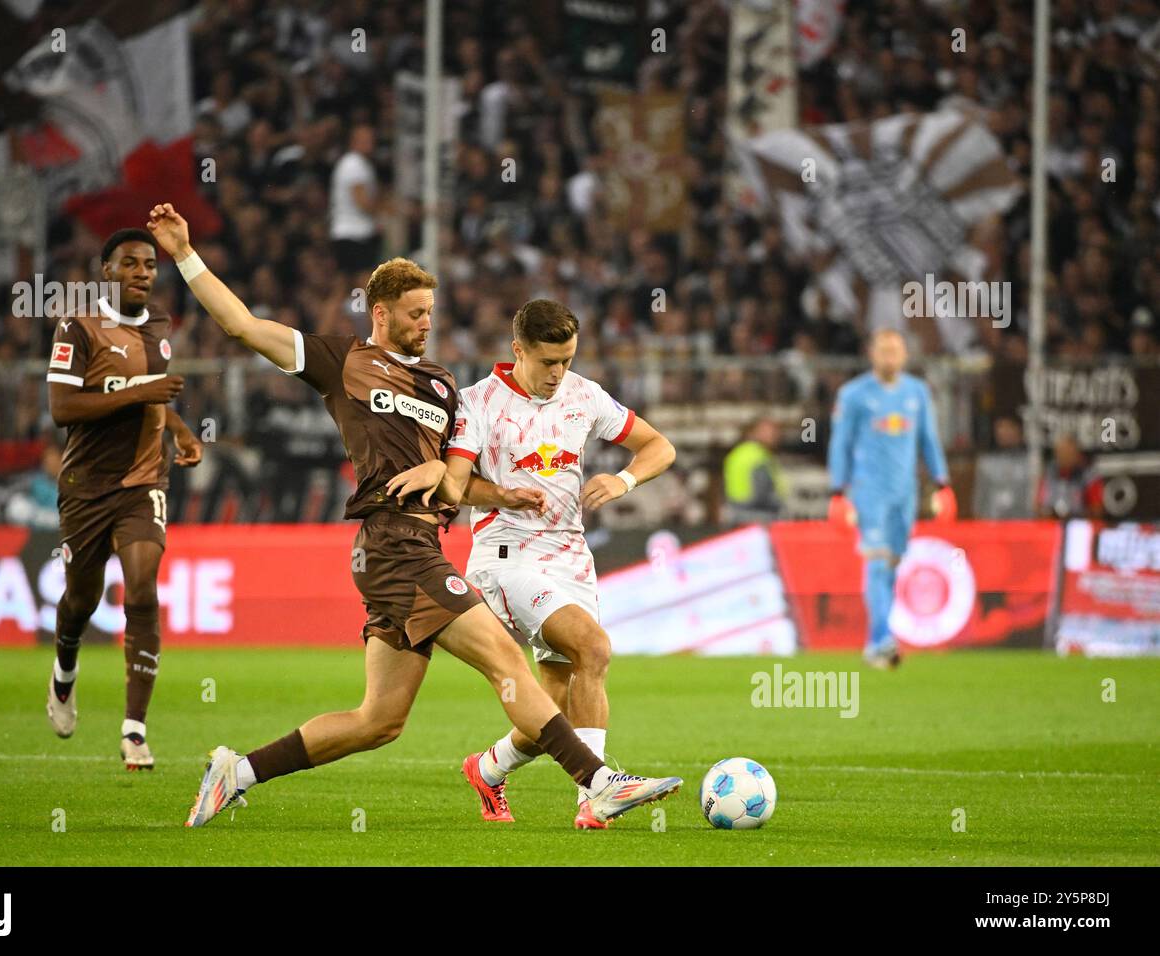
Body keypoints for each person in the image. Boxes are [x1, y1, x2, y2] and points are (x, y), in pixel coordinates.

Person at [144, 203, 682, 829]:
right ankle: (597, 783)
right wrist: (184, 254)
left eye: (431, 312)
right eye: (415, 313)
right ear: (381, 313)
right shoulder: (339, 361)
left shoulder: (441, 386)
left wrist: (485, 490)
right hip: (394, 544)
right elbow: (241, 325)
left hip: (421, 546)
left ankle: (237, 772)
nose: (428, 323)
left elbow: (456, 480)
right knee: (507, 663)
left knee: (379, 722)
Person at [442, 299, 677, 828]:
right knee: (594, 646)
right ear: (517, 350)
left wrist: (623, 480)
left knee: (555, 705)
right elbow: (454, 485)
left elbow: (659, 447)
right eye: (548, 362)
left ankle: (488, 768)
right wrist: (501, 494)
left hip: (570, 557)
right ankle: (595, 798)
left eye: (567, 360)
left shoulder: (584, 396)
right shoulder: (478, 403)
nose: (558, 374)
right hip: (505, 554)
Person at [45, 228, 204, 770]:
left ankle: (134, 729)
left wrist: (179, 430)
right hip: (86, 488)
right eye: (130, 263)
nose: (143, 272)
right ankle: (65, 670)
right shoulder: (79, 327)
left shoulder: (158, 327)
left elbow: (152, 395)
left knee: (141, 587)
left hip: (143, 482)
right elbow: (64, 409)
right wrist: (142, 394)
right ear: (106, 271)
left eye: (150, 265)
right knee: (81, 602)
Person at [826, 330, 953, 669]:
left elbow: (929, 439)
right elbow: (840, 443)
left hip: (905, 493)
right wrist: (838, 491)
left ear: (905, 354)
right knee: (877, 561)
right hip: (868, 491)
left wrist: (943, 483)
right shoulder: (853, 395)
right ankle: (883, 641)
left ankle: (874, 643)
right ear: (871, 354)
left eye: (895, 350)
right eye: (883, 350)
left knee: (892, 567)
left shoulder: (917, 392)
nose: (889, 357)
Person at [329, 124, 381, 280]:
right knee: (363, 285)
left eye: (371, 139)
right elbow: (362, 202)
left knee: (344, 287)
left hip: (350, 233)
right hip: (354, 234)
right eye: (364, 140)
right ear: (353, 142)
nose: (370, 143)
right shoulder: (354, 164)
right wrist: (388, 210)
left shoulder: (360, 164)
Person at [723, 416, 785, 524]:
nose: (775, 436)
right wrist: (780, 503)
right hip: (756, 516)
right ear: (755, 432)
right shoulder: (758, 456)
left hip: (736, 512)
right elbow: (761, 495)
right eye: (771, 432)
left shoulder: (738, 453)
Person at [1036, 434, 1105, 519]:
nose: (1065, 457)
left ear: (1077, 454)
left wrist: (1074, 516)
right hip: (1051, 526)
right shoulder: (1048, 474)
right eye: (1061, 453)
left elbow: (1097, 511)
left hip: (1079, 526)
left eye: (1069, 453)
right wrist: (1048, 513)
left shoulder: (1089, 476)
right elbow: (1038, 506)